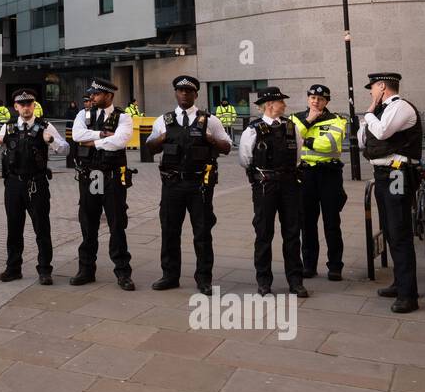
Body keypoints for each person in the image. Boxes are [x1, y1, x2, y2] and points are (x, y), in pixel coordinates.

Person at [145, 75, 232, 295]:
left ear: (195, 94)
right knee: (169, 231)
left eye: (189, 91)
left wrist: (210, 138)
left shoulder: (209, 120)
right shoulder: (163, 120)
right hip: (172, 184)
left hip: (199, 185)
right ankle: (170, 276)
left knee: (202, 233)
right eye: (180, 91)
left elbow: (227, 147)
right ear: (175, 93)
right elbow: (150, 147)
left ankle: (204, 279)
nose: (184, 94)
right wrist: (162, 138)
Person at [359, 72, 422, 313]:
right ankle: (399, 283)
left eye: (372, 88)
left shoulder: (401, 107)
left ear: (382, 86)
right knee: (389, 230)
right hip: (382, 175)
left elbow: (383, 132)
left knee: (399, 231)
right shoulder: (380, 111)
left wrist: (367, 115)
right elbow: (364, 140)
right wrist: (368, 118)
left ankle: (409, 295)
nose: (371, 93)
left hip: (397, 174)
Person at [0, 90, 68, 285]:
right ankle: (13, 268)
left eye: (29, 104)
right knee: (14, 228)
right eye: (22, 104)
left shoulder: (45, 125)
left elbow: (65, 148)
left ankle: (44, 270)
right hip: (14, 184)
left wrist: (50, 140)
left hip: (36, 183)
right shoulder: (8, 127)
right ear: (15, 107)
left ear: (34, 105)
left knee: (42, 228)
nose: (26, 107)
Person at [238, 88, 310, 298]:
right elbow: (245, 160)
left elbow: (297, 154)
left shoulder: (291, 127)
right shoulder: (252, 130)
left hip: (289, 185)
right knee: (263, 233)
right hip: (265, 187)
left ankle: (295, 281)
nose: (284, 105)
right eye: (281, 102)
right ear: (269, 105)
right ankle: (264, 281)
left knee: (292, 233)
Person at [70, 78, 135, 290]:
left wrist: (93, 142)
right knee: (89, 223)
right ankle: (86, 269)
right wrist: (101, 135)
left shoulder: (123, 117)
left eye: (96, 94)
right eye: (92, 94)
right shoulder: (83, 115)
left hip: (113, 176)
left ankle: (123, 272)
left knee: (117, 224)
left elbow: (119, 142)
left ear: (109, 96)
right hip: (91, 176)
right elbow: (77, 135)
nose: (92, 97)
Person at [291, 85, 350, 281]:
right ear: (308, 99)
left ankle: (335, 266)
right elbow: (291, 137)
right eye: (312, 97)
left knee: (332, 222)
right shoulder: (296, 118)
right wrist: (309, 121)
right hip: (306, 174)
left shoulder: (338, 120)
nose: (315, 101)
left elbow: (329, 145)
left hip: (329, 174)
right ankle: (309, 265)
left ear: (327, 102)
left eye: (320, 99)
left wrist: (305, 140)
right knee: (307, 222)